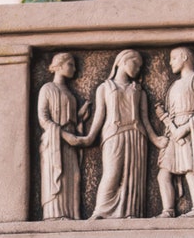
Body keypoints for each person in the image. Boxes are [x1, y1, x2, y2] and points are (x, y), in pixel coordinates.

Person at [66, 49, 166, 219]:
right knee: (111, 173)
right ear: (122, 61)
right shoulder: (105, 88)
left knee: (132, 178)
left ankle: (130, 213)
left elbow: (145, 120)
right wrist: (89, 138)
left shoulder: (139, 90)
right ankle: (100, 212)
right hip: (113, 135)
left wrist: (155, 139)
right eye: (136, 64)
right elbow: (99, 116)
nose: (138, 69)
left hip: (136, 136)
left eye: (141, 66)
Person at [155, 47, 194, 217]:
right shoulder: (174, 84)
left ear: (184, 57)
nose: (170, 62)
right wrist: (165, 120)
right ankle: (168, 210)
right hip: (173, 131)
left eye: (173, 58)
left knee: (190, 170)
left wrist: (185, 129)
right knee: (163, 174)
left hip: (191, 129)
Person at [38, 53, 89, 220]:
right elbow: (43, 119)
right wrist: (63, 134)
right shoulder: (47, 89)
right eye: (71, 65)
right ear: (59, 66)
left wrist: (80, 117)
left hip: (69, 143)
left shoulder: (69, 91)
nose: (74, 69)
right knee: (55, 179)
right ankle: (54, 215)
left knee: (72, 178)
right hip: (54, 142)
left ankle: (71, 215)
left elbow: (70, 119)